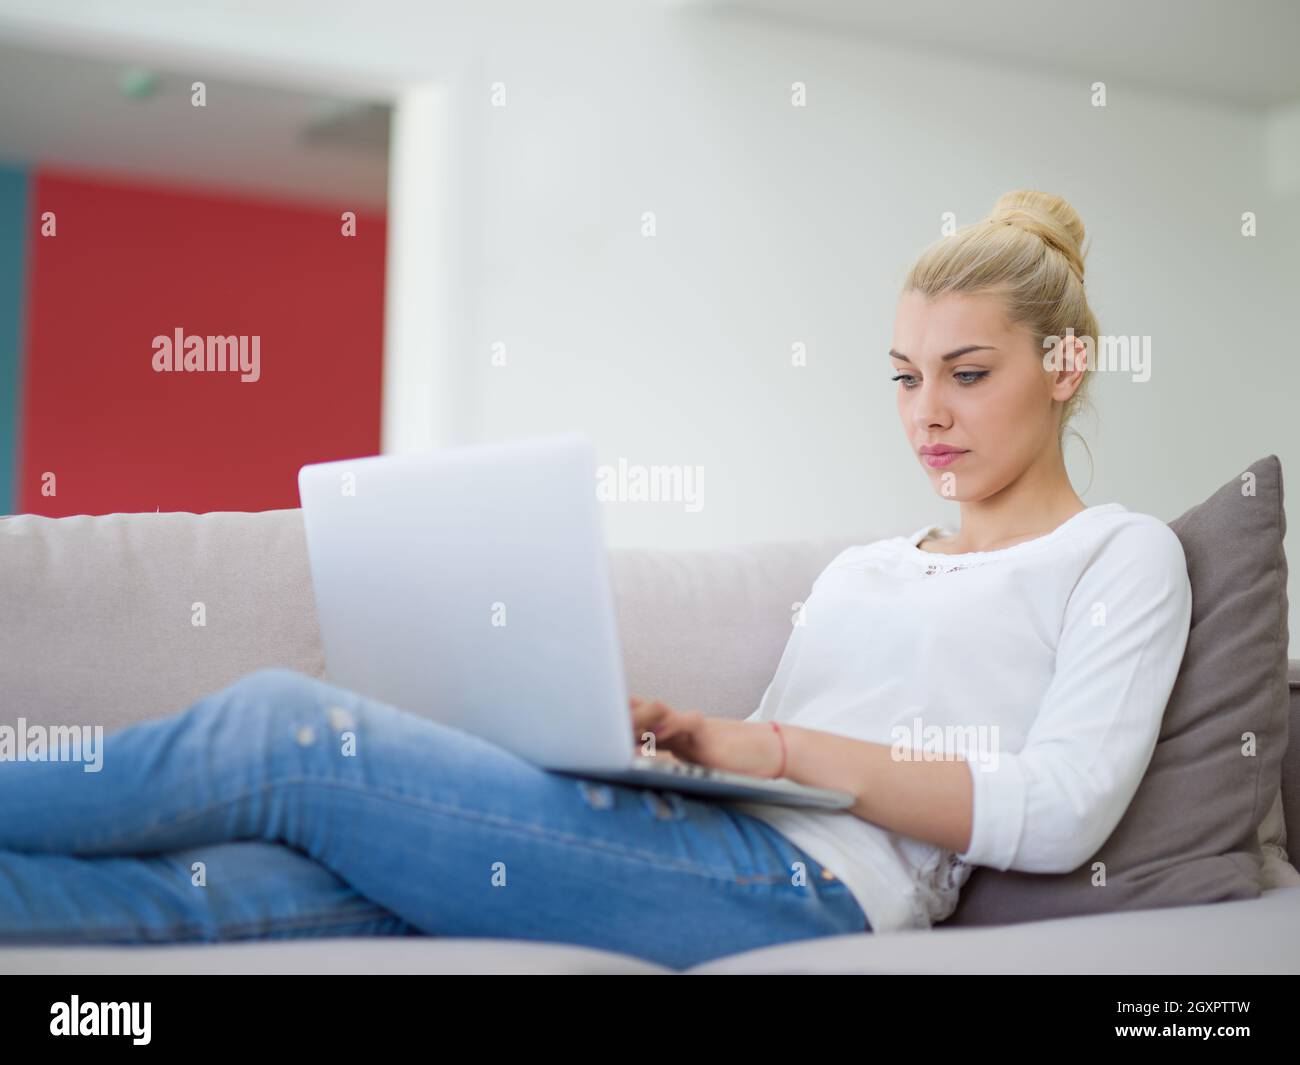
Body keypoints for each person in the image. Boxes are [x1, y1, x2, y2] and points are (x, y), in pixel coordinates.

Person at [0, 189, 1192, 971]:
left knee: (282, 733)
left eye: (967, 373)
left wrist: (768, 749)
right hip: (693, 832)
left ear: (1066, 365)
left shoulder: (1118, 554)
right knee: (222, 894)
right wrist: (680, 752)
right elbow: (774, 756)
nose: (925, 413)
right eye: (901, 376)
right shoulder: (866, 568)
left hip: (803, 892)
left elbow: (1061, 807)